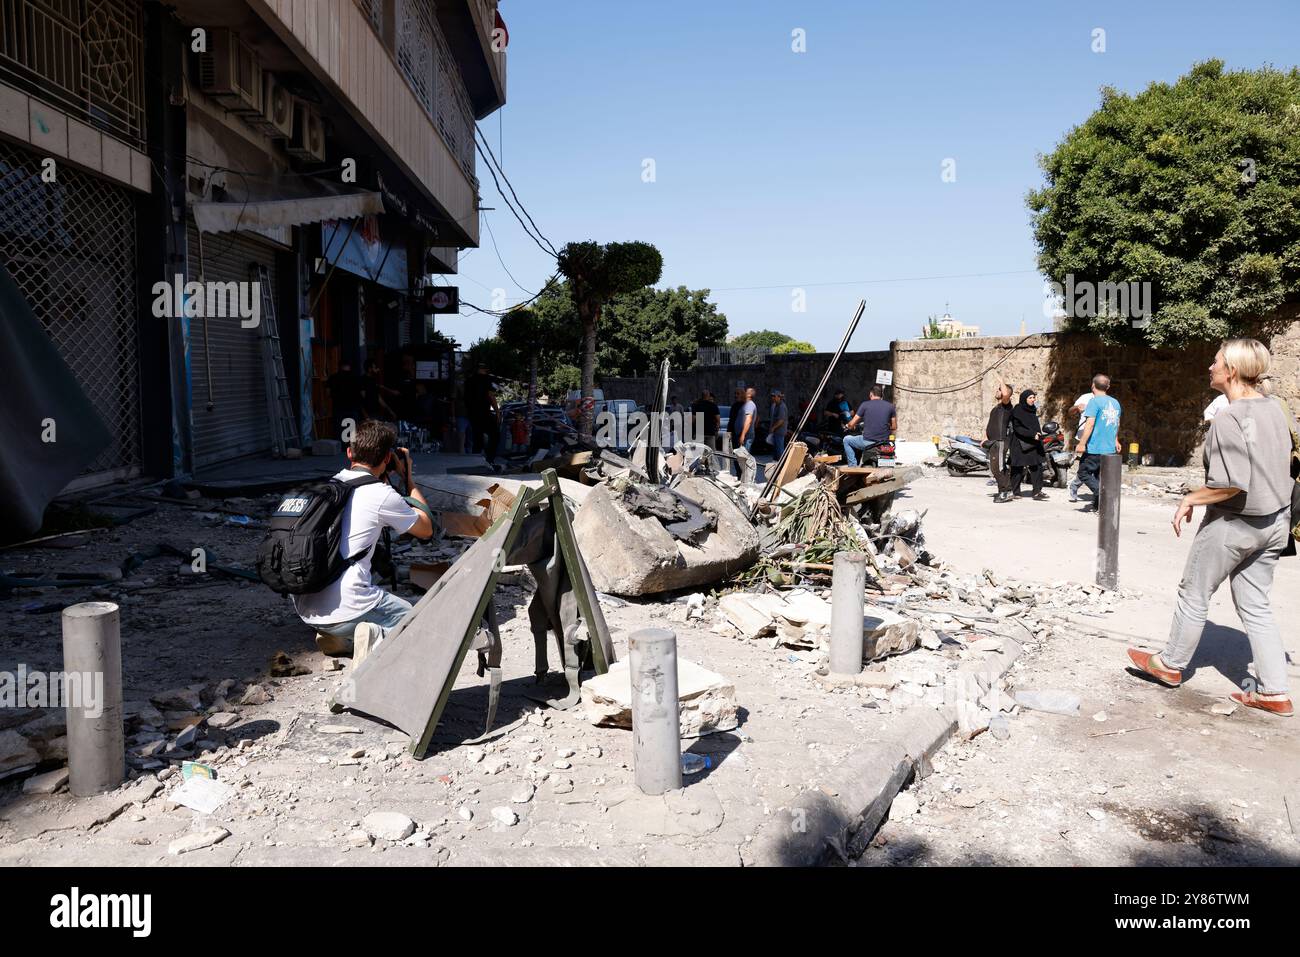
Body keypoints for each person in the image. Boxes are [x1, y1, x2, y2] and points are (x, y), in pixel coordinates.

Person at [1126, 339, 1294, 717]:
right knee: (1256, 605)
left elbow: (1231, 483)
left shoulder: (1229, 419)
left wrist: (1190, 499)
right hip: (1275, 523)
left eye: (1215, 361)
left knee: (1194, 591)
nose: (1209, 367)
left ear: (1231, 371)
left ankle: (1170, 664)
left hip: (1235, 522)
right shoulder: (1275, 409)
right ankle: (1273, 691)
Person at [293, 419, 436, 660]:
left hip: (306, 609)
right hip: (348, 609)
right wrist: (408, 477)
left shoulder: (330, 486)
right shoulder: (382, 495)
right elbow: (426, 529)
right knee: (416, 622)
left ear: (349, 452)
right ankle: (373, 638)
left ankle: (338, 638)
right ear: (388, 459)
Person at [1073, 374, 1122, 513]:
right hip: (1109, 448)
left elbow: (1090, 424)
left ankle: (1102, 495)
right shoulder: (1115, 403)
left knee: (1083, 473)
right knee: (1100, 476)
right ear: (1108, 386)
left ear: (1092, 386)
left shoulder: (1094, 402)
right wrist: (1116, 440)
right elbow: (1116, 423)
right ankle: (1099, 506)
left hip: (1095, 447)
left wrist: (1082, 443)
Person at [843, 385, 897, 467]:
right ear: (881, 395)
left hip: (868, 441)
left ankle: (852, 466)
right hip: (884, 442)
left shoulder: (865, 405)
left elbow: (852, 423)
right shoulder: (891, 406)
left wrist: (848, 426)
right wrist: (885, 426)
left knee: (846, 440)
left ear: (871, 394)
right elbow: (894, 427)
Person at [1009, 389, 1049, 500]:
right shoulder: (1017, 410)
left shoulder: (1032, 410)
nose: (1033, 400)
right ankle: (1015, 491)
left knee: (1036, 467)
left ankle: (1037, 491)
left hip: (1033, 443)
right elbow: (1017, 428)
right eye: (1030, 398)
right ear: (1024, 399)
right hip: (1019, 443)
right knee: (1017, 467)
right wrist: (1032, 434)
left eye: (1033, 397)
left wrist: (1038, 435)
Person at [465, 363, 501, 469]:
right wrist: (497, 411)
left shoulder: (469, 381)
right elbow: (491, 395)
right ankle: (490, 458)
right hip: (484, 412)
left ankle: (476, 459)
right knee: (495, 434)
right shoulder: (486, 379)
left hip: (472, 413)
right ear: (484, 370)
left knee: (477, 436)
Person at [985, 383, 1015, 503]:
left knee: (998, 468)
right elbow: (991, 424)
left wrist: (999, 378)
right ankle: (1007, 490)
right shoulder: (997, 408)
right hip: (993, 442)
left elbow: (1007, 393)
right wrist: (985, 438)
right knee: (997, 468)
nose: (997, 391)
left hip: (1000, 441)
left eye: (999, 390)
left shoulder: (1006, 406)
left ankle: (1004, 493)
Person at [1066, 388, 1095, 503]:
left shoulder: (1105, 400)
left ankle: (1096, 494)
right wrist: (1077, 408)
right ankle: (1075, 486)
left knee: (1094, 465)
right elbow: (1070, 411)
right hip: (1085, 436)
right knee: (1087, 464)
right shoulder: (1085, 397)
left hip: (1098, 436)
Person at [326, 361, 362, 439]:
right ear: (350, 366)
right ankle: (351, 448)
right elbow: (362, 394)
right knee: (352, 432)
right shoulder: (355, 378)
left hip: (338, 408)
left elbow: (328, 393)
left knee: (339, 430)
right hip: (352, 408)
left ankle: (340, 447)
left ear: (339, 366)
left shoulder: (333, 377)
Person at [733, 387, 758, 476]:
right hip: (744, 434)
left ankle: (746, 478)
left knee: (744, 458)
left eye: (744, 392)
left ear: (748, 395)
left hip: (746, 435)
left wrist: (743, 434)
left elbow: (749, 419)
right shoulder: (746, 404)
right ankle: (742, 476)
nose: (742, 394)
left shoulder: (750, 405)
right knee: (741, 457)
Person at [767, 389, 789, 461]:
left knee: (779, 451)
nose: (772, 398)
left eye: (774, 396)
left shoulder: (781, 406)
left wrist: (773, 428)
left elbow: (781, 421)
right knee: (776, 451)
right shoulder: (775, 405)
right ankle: (776, 466)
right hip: (776, 432)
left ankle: (781, 465)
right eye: (772, 396)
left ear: (779, 397)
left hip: (780, 432)